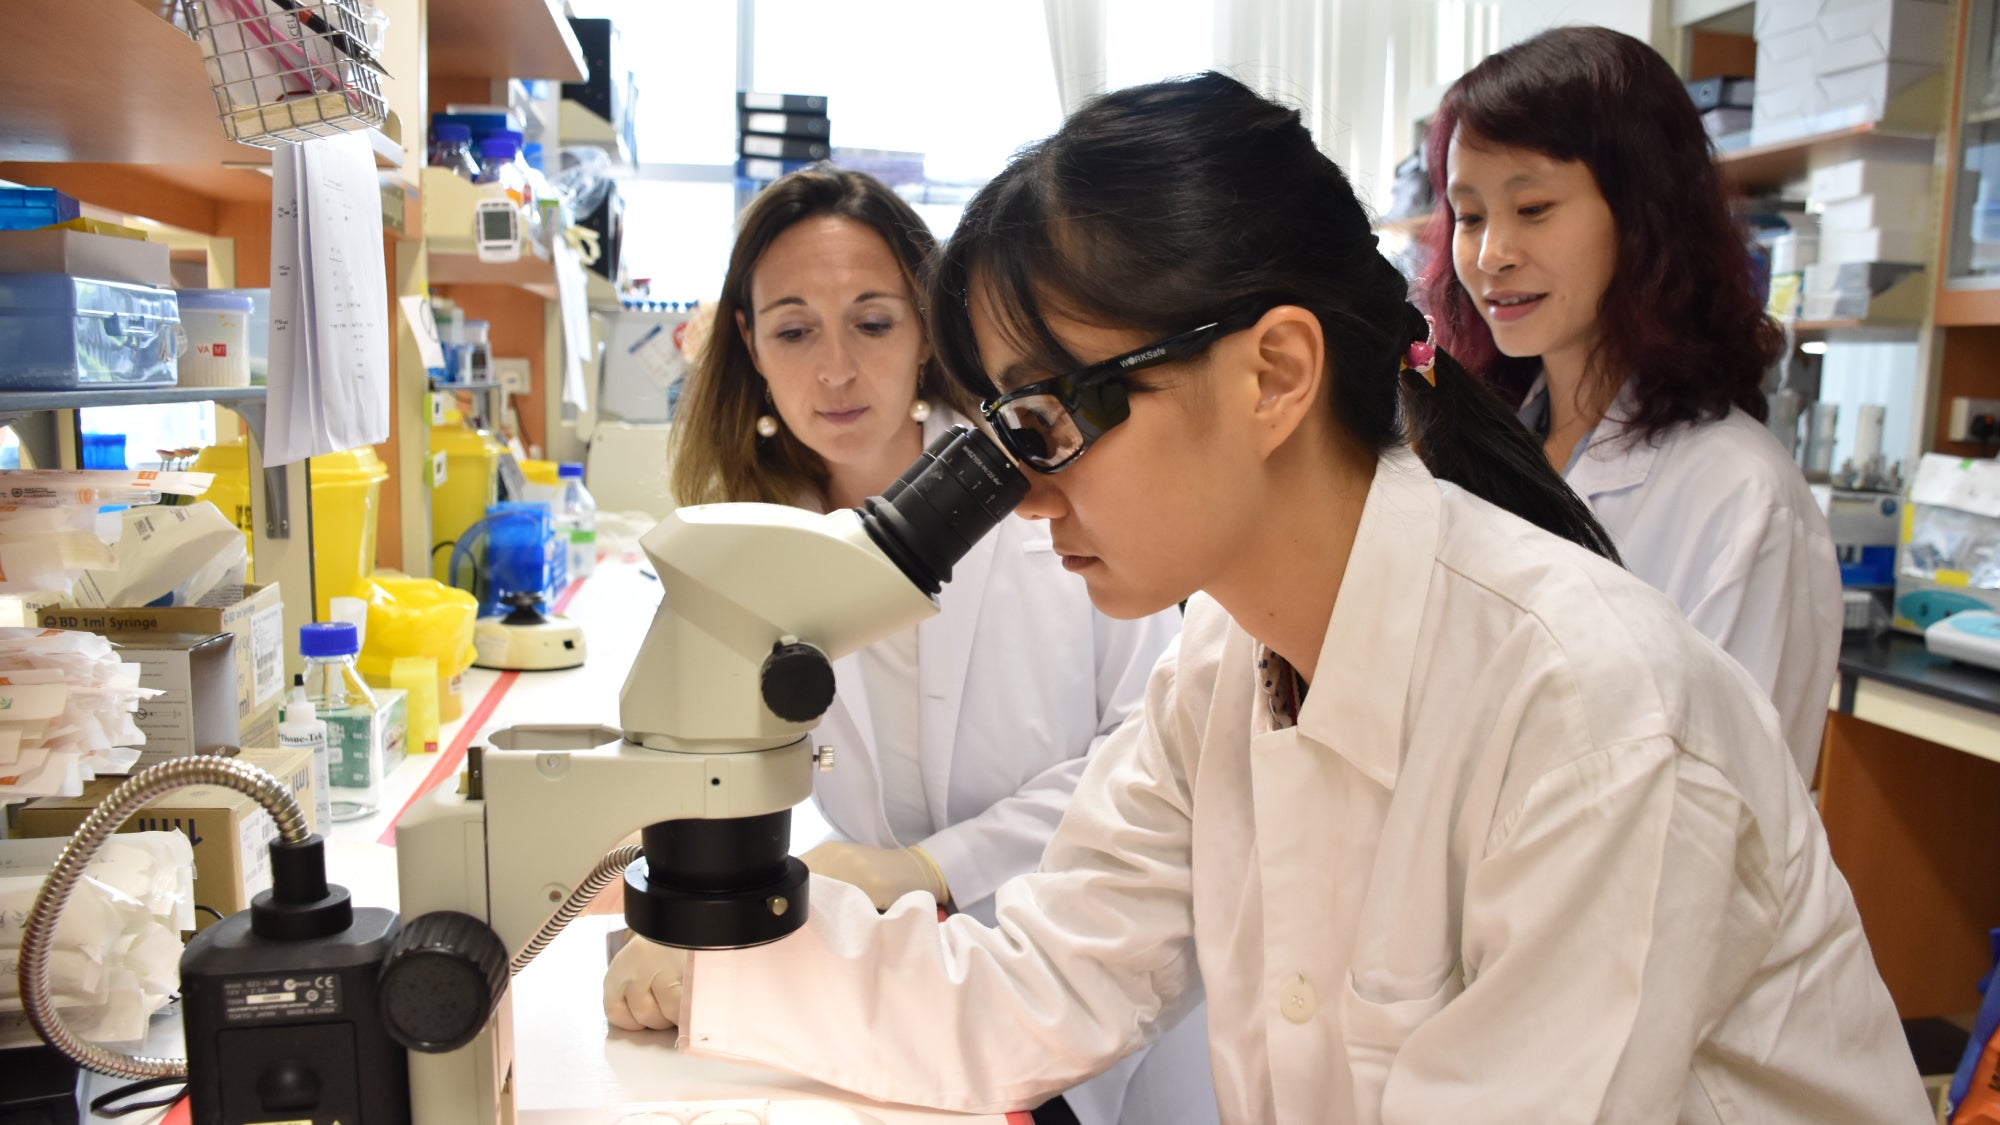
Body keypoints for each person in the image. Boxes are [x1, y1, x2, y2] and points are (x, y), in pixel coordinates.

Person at [605, 75, 1929, 1123]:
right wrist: (729, 960)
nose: (1024, 497)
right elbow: (1036, 988)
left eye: (1050, 421)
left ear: (1275, 373)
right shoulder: (1221, 665)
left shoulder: (1589, 724)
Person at [657, 165, 1216, 1125]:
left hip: (1097, 991)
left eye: (872, 323)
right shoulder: (749, 549)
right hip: (897, 1002)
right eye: (795, 330)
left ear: (925, 327)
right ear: (748, 343)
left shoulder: (1053, 491)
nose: (836, 369)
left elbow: (1148, 753)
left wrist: (934, 865)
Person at [1417, 26, 1841, 783]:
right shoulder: (1469, 452)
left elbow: (1730, 806)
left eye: (1534, 207)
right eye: (1471, 216)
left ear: (1644, 215)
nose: (1490, 255)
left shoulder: (1742, 499)